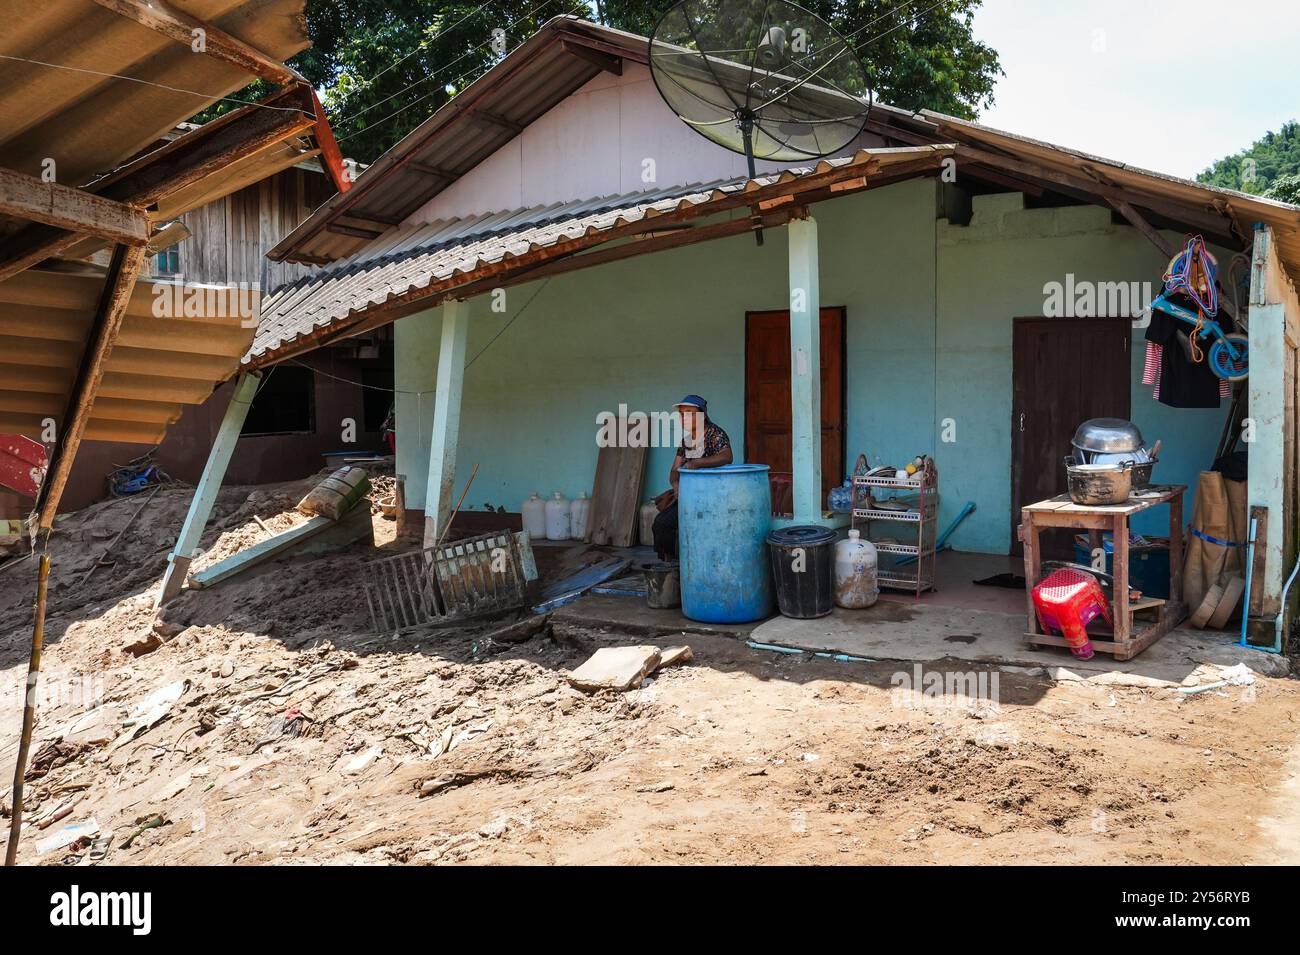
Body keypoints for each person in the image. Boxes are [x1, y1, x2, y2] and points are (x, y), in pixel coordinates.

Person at [652, 395, 733, 560]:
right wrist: (675, 484)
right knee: (661, 524)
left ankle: (679, 567)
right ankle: (670, 567)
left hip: (712, 497)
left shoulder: (714, 433)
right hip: (689, 496)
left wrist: (697, 463)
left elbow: (727, 456)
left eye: (689, 413)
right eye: (682, 414)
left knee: (669, 525)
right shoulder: (687, 440)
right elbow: (674, 469)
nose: (684, 418)